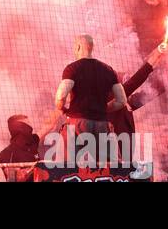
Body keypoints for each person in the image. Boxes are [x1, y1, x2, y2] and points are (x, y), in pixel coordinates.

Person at [54, 34, 126, 167]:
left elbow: (60, 97)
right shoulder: (108, 70)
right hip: (102, 124)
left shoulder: (72, 68)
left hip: (77, 124)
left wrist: (62, 108)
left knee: (67, 166)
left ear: (78, 47)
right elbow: (121, 101)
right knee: (111, 166)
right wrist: (103, 108)